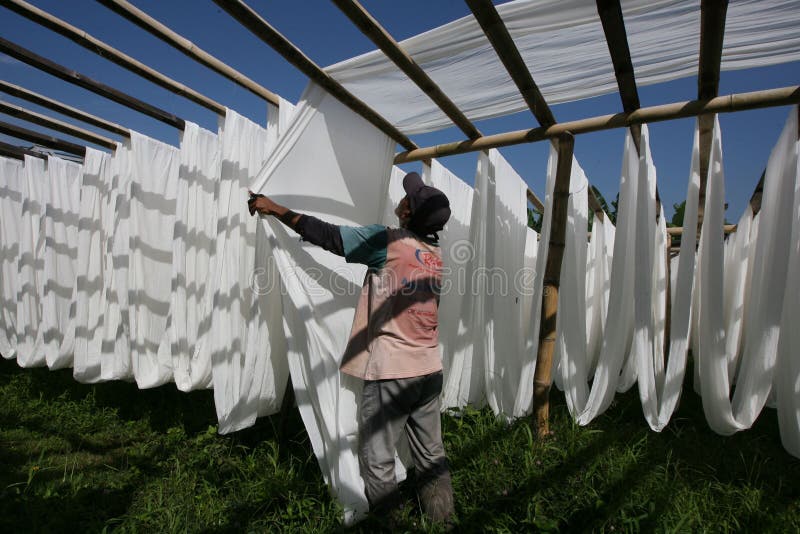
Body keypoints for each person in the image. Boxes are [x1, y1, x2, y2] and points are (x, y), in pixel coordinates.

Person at [247, 171, 455, 524]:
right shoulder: (433, 254)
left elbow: (329, 237)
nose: (402, 198)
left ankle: (391, 526)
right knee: (431, 454)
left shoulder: (386, 241)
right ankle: (444, 521)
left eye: (407, 198)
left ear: (407, 214)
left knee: (377, 458)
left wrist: (276, 209)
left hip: (393, 372)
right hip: (428, 368)